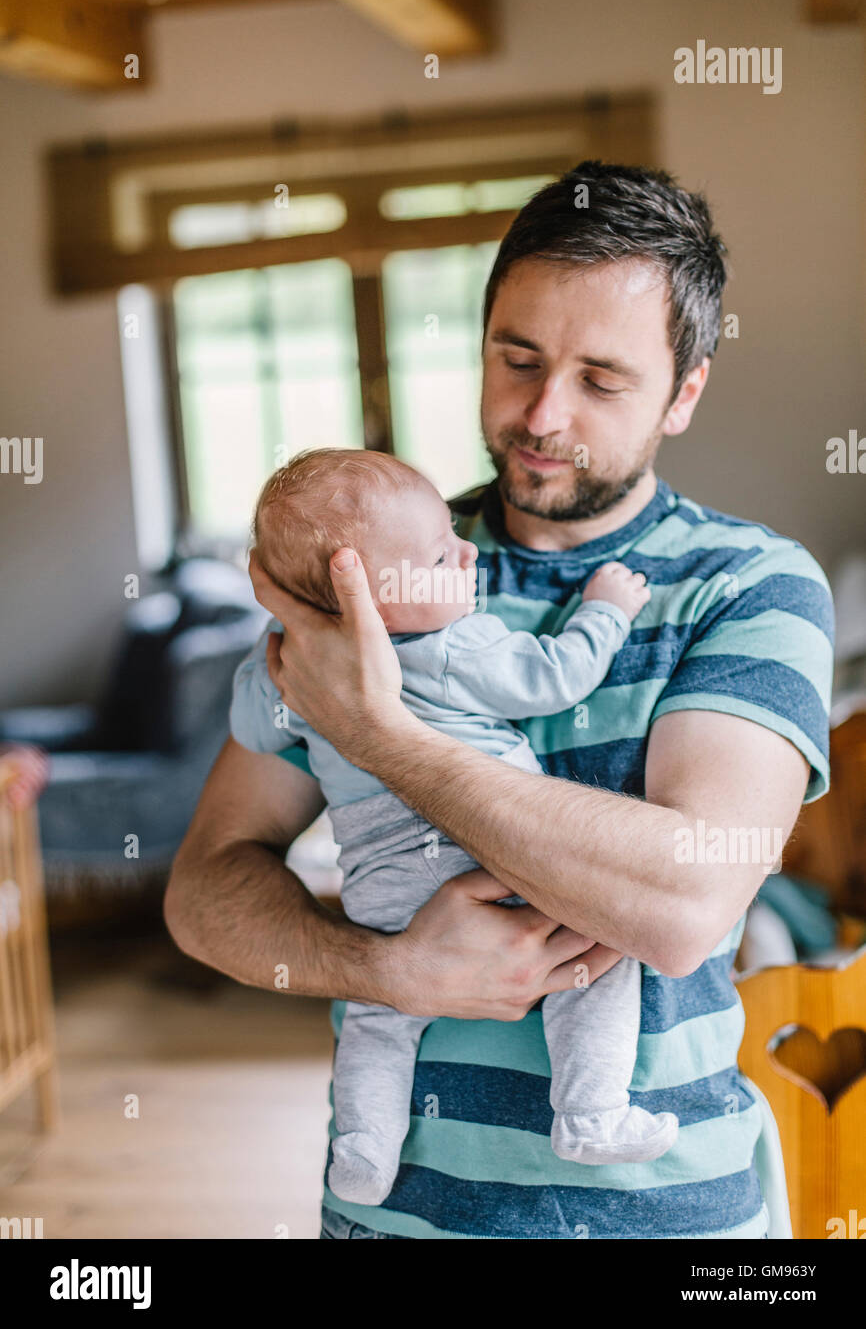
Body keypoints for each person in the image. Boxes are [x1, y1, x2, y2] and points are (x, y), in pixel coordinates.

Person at [165, 161, 834, 1240]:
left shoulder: (749, 587)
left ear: (685, 389)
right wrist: (380, 965)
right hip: (391, 1220)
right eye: (514, 358)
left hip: (662, 1223)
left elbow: (682, 907)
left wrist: (382, 735)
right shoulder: (366, 577)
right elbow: (201, 893)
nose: (538, 413)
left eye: (599, 381)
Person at [231, 447, 671, 1207]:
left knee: (380, 1017)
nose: (467, 550)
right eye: (441, 554)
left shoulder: (291, 667)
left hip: (376, 880)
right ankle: (591, 1111)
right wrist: (605, 609)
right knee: (602, 955)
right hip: (490, 858)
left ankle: (364, 1154)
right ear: (367, 596)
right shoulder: (452, 646)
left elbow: (254, 729)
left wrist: (271, 656)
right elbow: (554, 676)